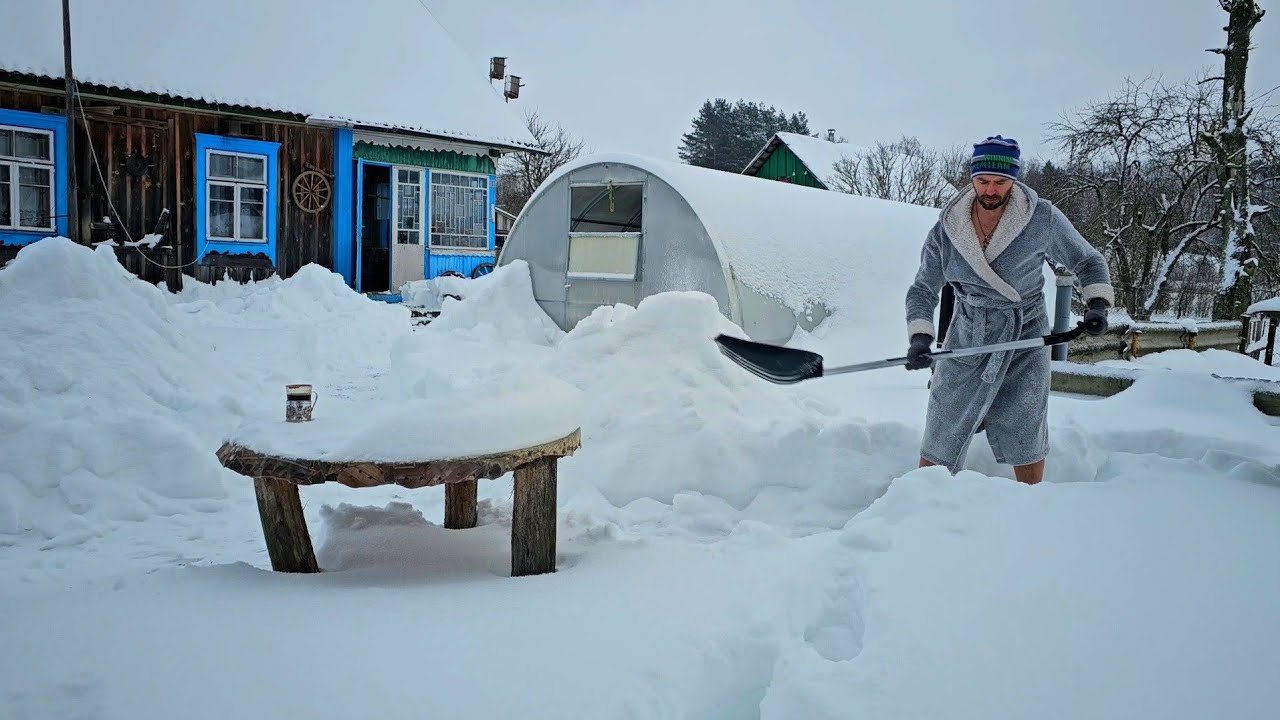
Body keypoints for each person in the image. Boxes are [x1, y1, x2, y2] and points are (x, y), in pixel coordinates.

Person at [903, 135, 1113, 484]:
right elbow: (923, 288)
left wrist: (1098, 304)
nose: (990, 190)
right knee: (944, 423)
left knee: (1025, 424)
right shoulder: (948, 226)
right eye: (983, 181)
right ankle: (921, 501)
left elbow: (1088, 260)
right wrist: (921, 339)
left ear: (1014, 180)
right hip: (968, 335)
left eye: (1000, 182)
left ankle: (1030, 506)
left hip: (1025, 335)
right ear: (972, 178)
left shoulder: (1040, 217)